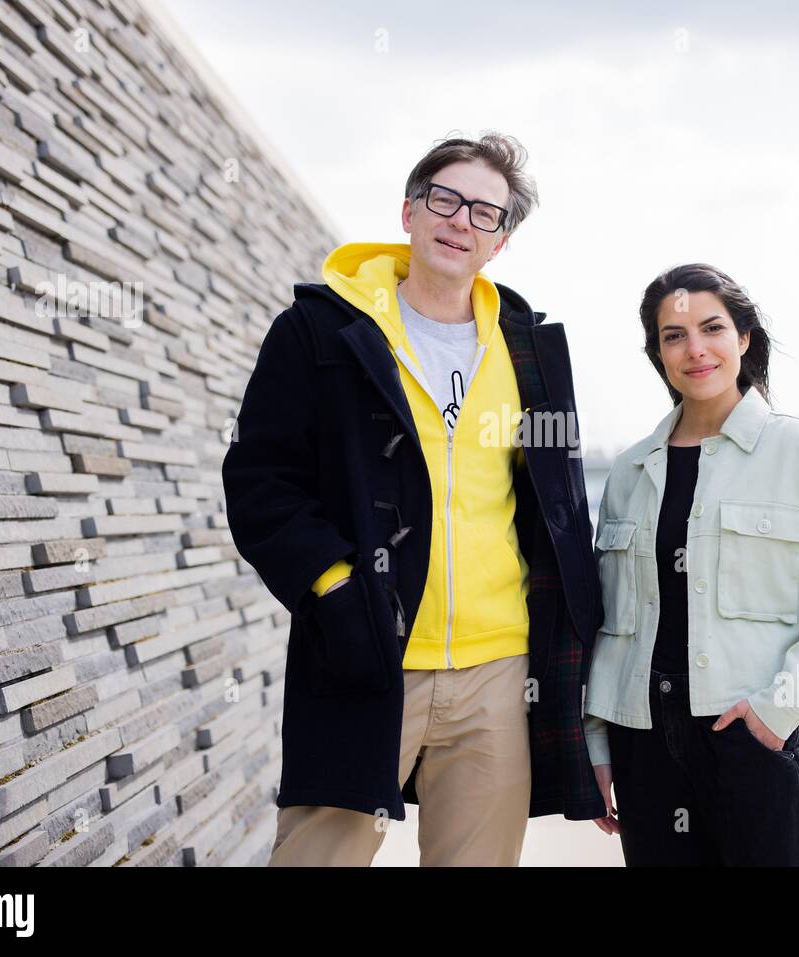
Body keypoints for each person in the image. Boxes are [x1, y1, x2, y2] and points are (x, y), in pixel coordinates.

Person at [221, 132, 605, 866]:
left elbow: (560, 509)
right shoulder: (320, 330)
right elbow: (260, 477)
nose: (461, 220)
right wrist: (334, 588)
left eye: (485, 213)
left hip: (498, 671)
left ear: (500, 242)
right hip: (364, 649)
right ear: (409, 211)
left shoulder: (530, 350)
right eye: (445, 198)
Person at [583, 263, 799, 865]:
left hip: (752, 736)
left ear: (743, 338)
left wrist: (778, 712)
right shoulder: (630, 471)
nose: (695, 349)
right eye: (674, 335)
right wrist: (596, 740)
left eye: (711, 328)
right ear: (658, 353)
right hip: (643, 746)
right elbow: (608, 618)